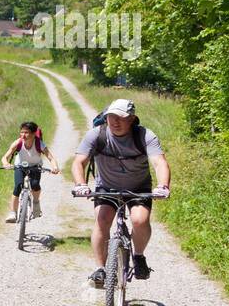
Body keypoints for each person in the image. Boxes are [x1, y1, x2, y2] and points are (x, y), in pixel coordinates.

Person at [70, 98, 172, 287]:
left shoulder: (145, 136)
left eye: (121, 118)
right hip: (107, 187)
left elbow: (159, 163)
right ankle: (101, 268)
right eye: (111, 117)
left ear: (132, 119)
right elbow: (79, 162)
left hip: (138, 188)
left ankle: (139, 256)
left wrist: (163, 186)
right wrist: (80, 184)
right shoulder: (96, 134)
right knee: (102, 221)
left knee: (139, 220)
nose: (115, 122)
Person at [1, 121, 59, 221]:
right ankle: (12, 213)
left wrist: (55, 167)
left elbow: (51, 158)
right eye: (22, 132)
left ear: (33, 134)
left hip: (35, 167)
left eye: (26, 132)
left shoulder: (39, 144)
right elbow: (5, 157)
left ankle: (36, 202)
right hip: (20, 166)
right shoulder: (18, 142)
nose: (23, 135)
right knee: (18, 186)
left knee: (35, 185)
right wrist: (6, 163)